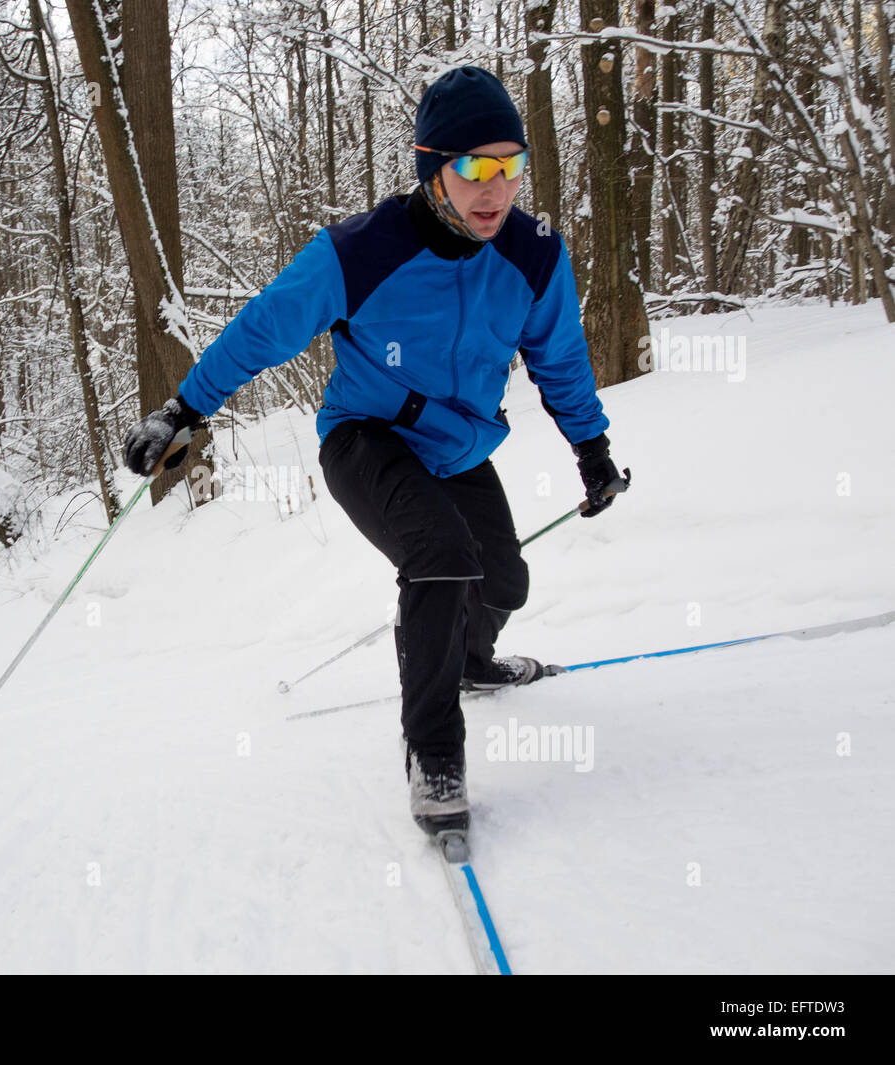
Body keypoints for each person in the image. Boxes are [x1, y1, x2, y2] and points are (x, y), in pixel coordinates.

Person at [122, 66, 626, 837]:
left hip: (454, 445)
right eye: (474, 168)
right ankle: (434, 754)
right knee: (441, 553)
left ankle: (465, 661)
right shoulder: (360, 250)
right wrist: (184, 410)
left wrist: (591, 448)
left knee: (504, 583)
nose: (495, 190)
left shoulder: (533, 254)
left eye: (510, 167)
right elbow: (264, 329)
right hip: (366, 437)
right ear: (434, 169)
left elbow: (559, 357)